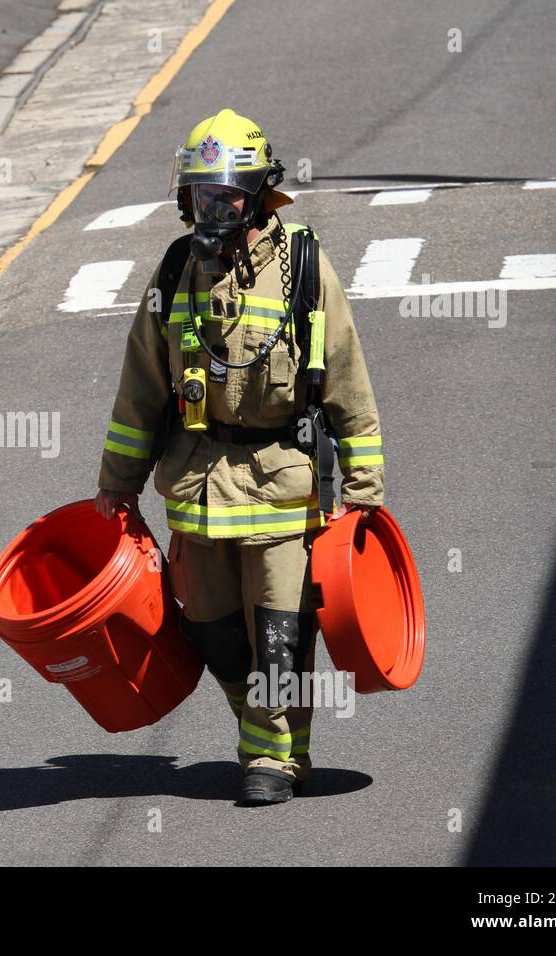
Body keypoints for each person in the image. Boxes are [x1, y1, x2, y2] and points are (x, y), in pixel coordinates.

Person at [94, 109, 384, 805]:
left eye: (225, 195)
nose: (210, 208)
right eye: (200, 194)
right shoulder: (174, 269)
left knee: (281, 634)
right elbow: (141, 388)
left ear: (258, 196)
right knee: (211, 632)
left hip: (283, 484)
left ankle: (274, 757)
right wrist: (118, 487)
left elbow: (348, 382)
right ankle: (260, 723)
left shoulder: (306, 270)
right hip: (197, 485)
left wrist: (363, 492)